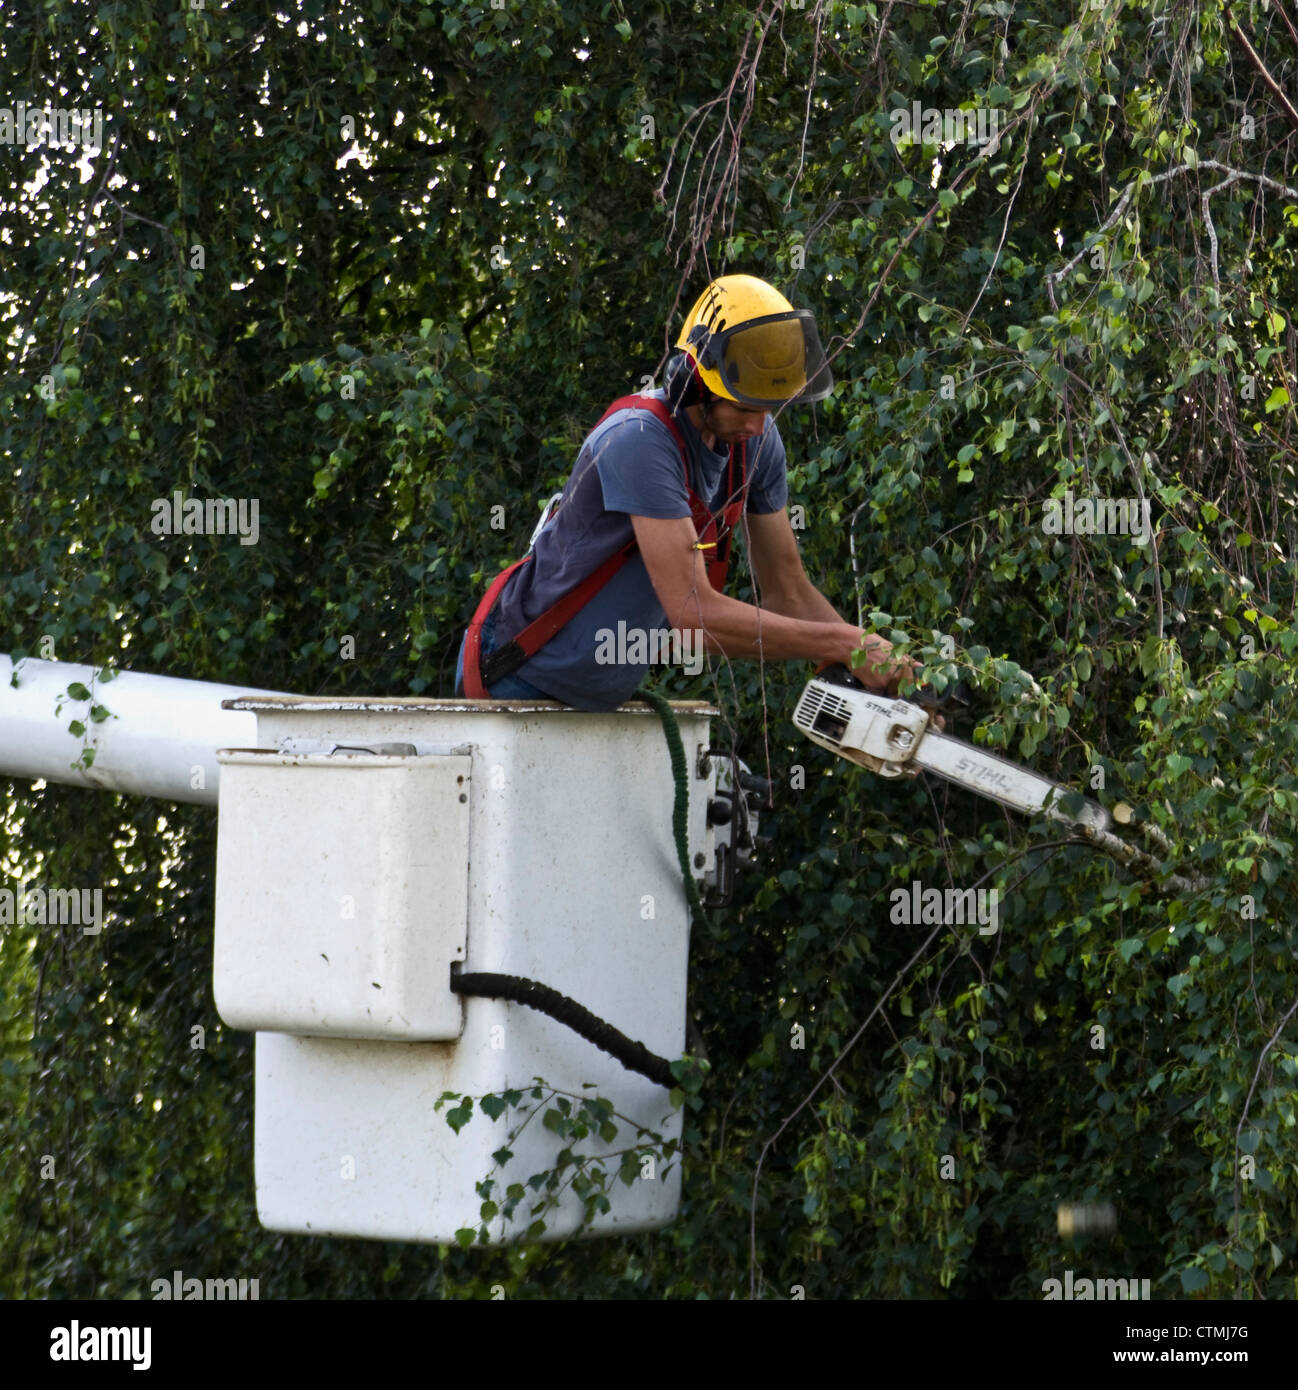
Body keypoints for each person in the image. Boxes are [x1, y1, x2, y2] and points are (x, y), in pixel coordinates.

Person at [454, 273, 920, 709]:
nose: (758, 426)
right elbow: (694, 615)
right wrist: (844, 643)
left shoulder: (755, 442)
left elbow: (787, 591)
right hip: (517, 676)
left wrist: (882, 672)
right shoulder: (638, 440)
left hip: (595, 698)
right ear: (695, 381)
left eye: (769, 408)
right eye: (743, 408)